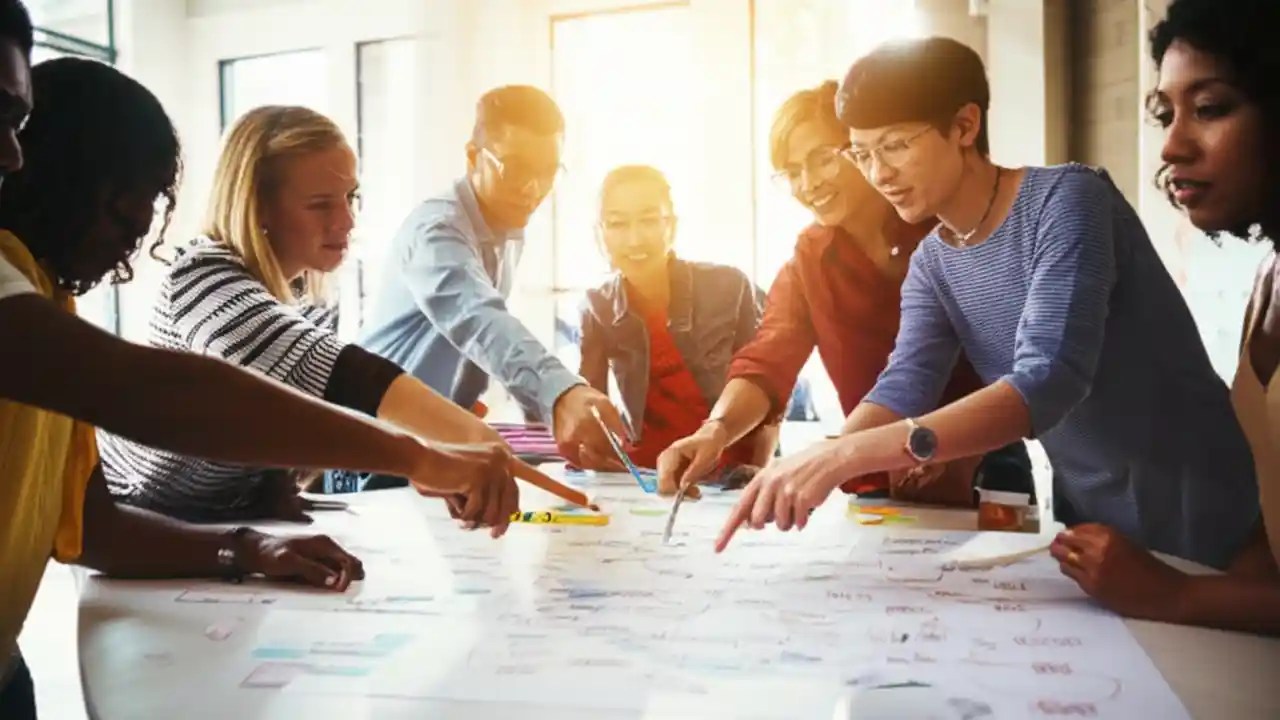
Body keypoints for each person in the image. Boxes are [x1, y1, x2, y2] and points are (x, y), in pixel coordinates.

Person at [0, 54, 499, 718]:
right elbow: (166, 395)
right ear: (66, 176)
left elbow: (92, 526)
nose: (138, 235)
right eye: (127, 212)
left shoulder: (46, 293)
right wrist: (422, 456)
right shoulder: (158, 278)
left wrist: (249, 545)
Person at [714, 36, 1259, 573]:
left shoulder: (1068, 200)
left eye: (897, 145)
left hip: (1205, 506)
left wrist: (846, 455)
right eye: (863, 154)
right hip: (1092, 520)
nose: (879, 174)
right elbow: (905, 384)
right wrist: (822, 458)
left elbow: (1049, 377)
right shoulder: (934, 261)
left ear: (965, 126)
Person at [99, 105, 515, 523]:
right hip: (135, 528)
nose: (347, 220)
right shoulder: (200, 276)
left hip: (219, 531)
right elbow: (343, 374)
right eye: (320, 205)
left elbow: (285, 429)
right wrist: (460, 443)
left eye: (350, 198)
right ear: (257, 205)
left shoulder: (311, 297)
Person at [656, 81, 1031, 507]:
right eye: (792, 171)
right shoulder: (809, 260)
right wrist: (715, 430)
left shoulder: (944, 232)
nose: (808, 183)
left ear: (862, 149)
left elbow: (1018, 367)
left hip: (984, 467)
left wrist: (955, 452)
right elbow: (766, 361)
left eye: (822, 160)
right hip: (870, 485)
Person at [1047, 0, 1280, 635]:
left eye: (1210, 109)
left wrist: (1173, 594)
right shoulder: (1268, 278)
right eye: (1164, 113)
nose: (1173, 145)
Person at [359, 85, 627, 473]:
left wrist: (548, 419)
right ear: (472, 157)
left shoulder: (505, 227)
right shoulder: (436, 231)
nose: (532, 189)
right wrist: (560, 394)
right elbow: (481, 321)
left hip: (436, 445)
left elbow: (494, 337)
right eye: (516, 169)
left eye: (547, 172)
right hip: (378, 448)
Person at [577, 164, 776, 478]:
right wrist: (593, 451)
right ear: (599, 232)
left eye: (649, 220)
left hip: (726, 467)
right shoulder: (596, 305)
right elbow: (590, 409)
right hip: (648, 475)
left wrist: (756, 470)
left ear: (672, 225)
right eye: (617, 224)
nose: (634, 239)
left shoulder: (730, 285)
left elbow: (770, 385)